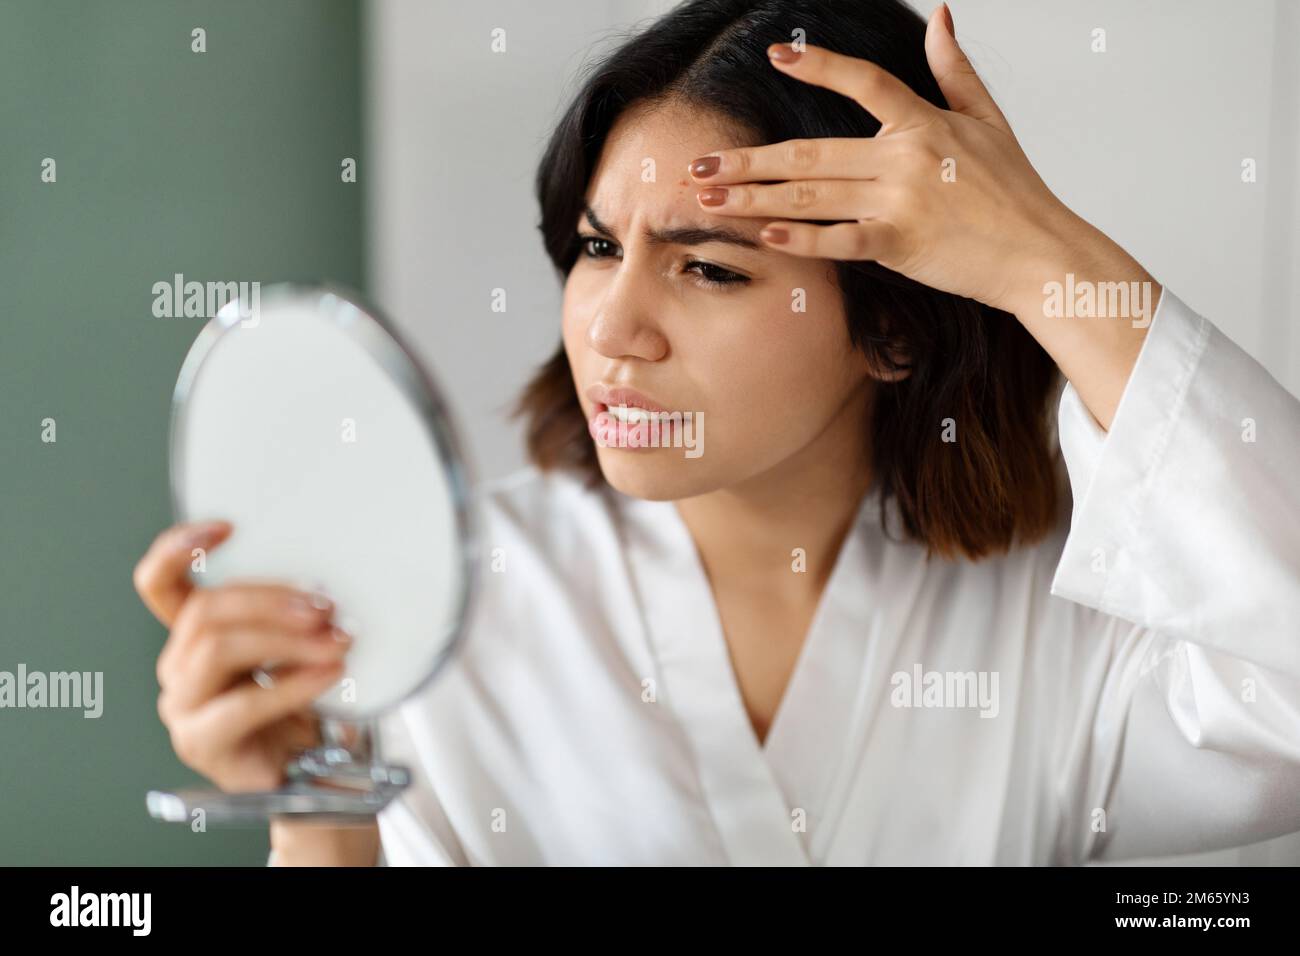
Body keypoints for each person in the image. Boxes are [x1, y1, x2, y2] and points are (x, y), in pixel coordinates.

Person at [133, 0, 1300, 865]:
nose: (614, 328)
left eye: (705, 265)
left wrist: (1043, 255)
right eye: (596, 248)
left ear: (889, 330)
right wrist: (317, 803)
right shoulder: (433, 609)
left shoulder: (1062, 629)